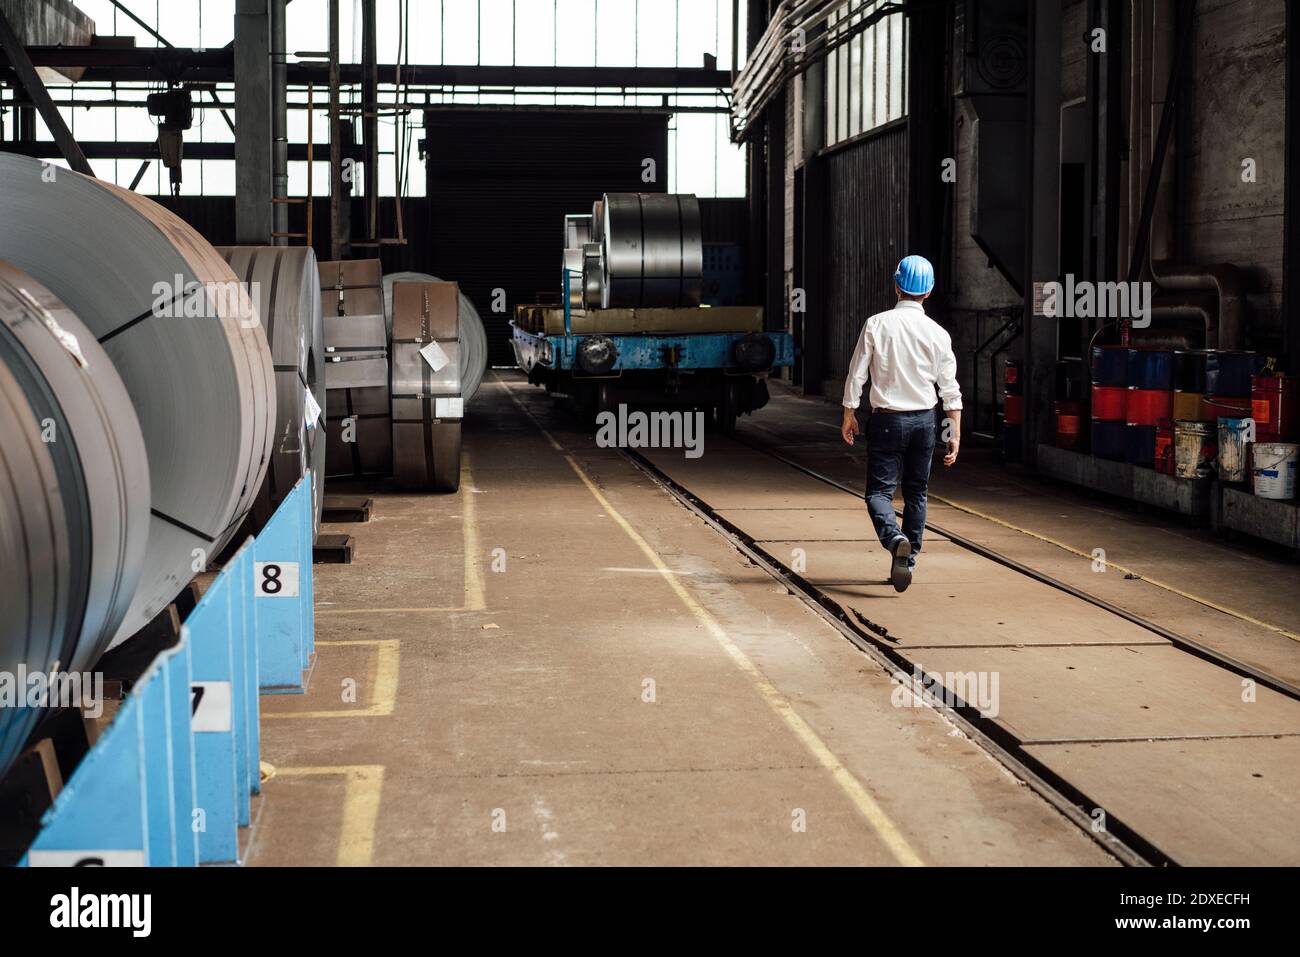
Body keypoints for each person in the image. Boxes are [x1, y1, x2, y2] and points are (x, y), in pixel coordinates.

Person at [840, 255, 962, 593]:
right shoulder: (938, 333)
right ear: (930, 292)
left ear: (896, 286)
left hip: (887, 421)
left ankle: (895, 539)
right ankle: (908, 559)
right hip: (925, 422)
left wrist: (849, 411)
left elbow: (857, 373)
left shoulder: (876, 324)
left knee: (879, 492)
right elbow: (950, 390)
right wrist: (953, 433)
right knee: (916, 493)